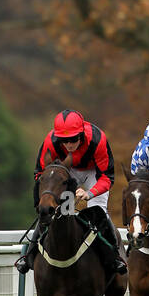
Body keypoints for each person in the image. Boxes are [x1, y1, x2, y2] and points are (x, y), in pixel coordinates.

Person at [14, 108, 127, 278]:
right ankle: (29, 254)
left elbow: (107, 177)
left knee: (98, 210)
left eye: (73, 139)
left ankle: (114, 256)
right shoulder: (50, 142)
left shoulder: (97, 139)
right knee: (57, 212)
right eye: (64, 140)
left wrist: (90, 193)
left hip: (94, 174)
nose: (69, 144)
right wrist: (51, 194)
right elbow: (40, 175)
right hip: (66, 173)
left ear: (81, 134)